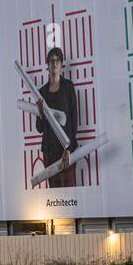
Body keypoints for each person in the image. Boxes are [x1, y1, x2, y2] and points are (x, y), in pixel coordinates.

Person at [36, 47, 78, 188]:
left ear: (61, 64)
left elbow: (73, 120)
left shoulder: (68, 87)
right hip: (49, 150)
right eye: (52, 61)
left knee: (70, 194)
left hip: (66, 150)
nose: (54, 64)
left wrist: (69, 149)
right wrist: (41, 114)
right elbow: (39, 128)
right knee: (54, 195)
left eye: (57, 60)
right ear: (47, 64)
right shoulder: (42, 92)